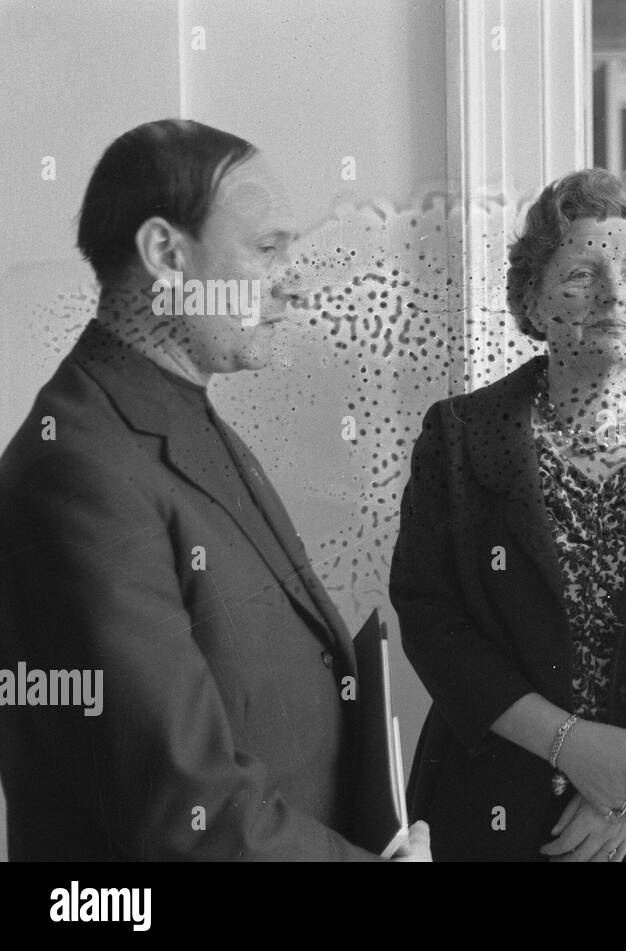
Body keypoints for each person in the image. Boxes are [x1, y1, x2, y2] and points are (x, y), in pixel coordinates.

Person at [0, 119, 429, 861]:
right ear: (166, 253)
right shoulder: (78, 471)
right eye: (267, 249)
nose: (294, 280)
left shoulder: (177, 408)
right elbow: (183, 810)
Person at [391, 168, 626, 861]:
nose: (613, 294)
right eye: (581, 273)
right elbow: (429, 612)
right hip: (490, 800)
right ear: (533, 299)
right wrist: (569, 745)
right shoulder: (456, 437)